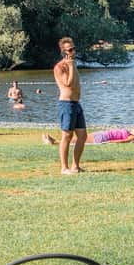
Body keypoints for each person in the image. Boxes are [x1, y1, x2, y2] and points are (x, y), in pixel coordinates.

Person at [53, 36, 86, 175]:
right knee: (67, 136)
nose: (73, 51)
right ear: (64, 52)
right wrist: (71, 66)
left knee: (82, 135)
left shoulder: (73, 64)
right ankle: (64, 168)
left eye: (74, 48)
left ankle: (75, 166)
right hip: (66, 104)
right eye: (70, 49)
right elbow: (68, 83)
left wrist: (72, 65)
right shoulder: (60, 66)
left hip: (76, 104)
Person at [43, 124, 134, 146]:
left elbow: (122, 141)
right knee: (78, 139)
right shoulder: (130, 133)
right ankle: (55, 141)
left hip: (103, 138)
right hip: (102, 134)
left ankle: (54, 142)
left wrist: (110, 142)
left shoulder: (133, 136)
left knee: (78, 140)